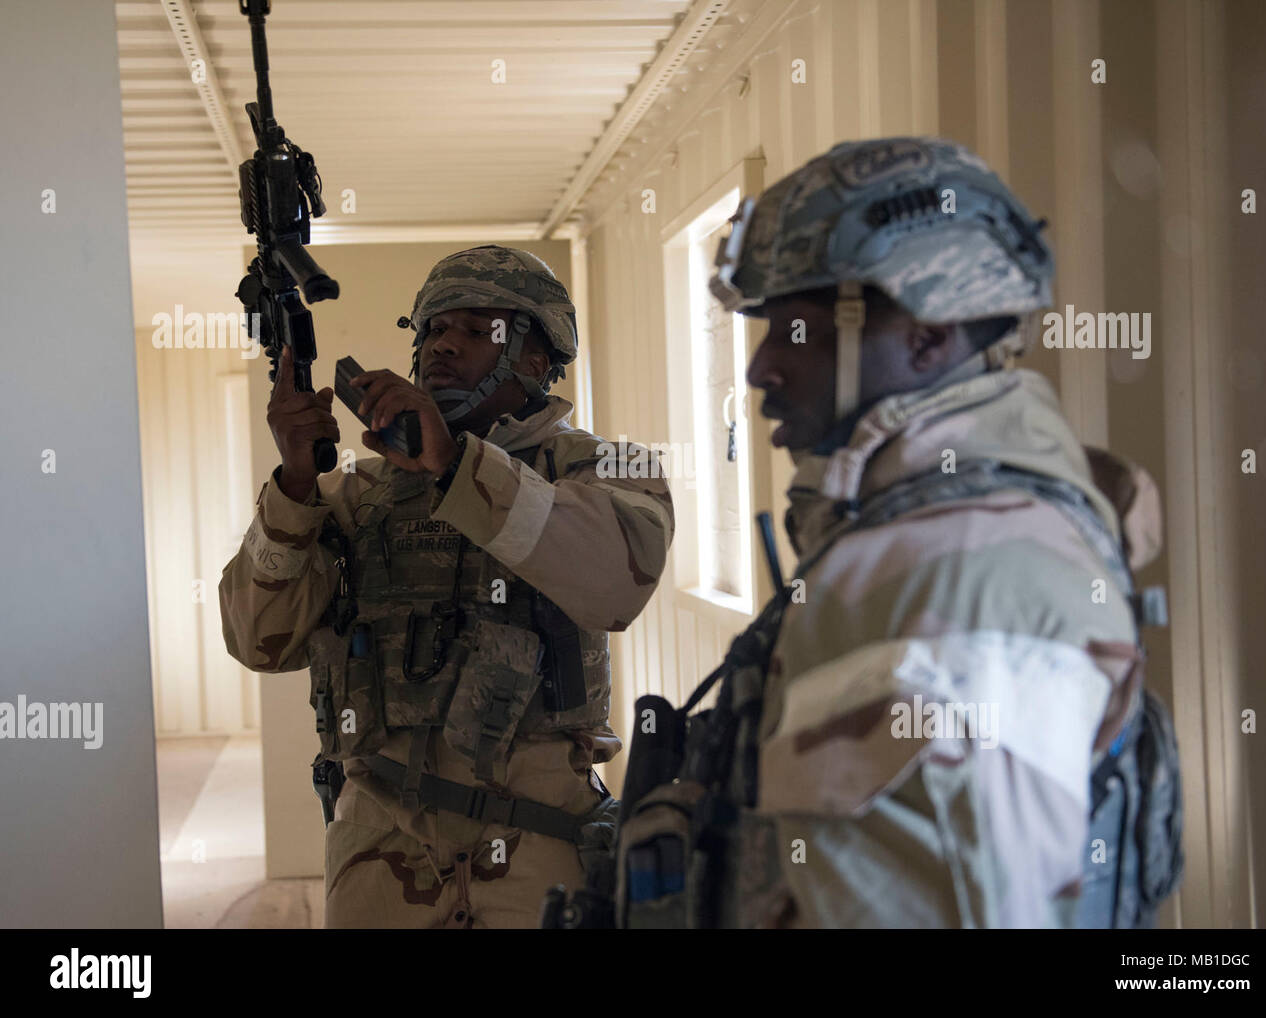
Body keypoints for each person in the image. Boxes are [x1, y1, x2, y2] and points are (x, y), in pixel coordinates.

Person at [624, 136, 1172, 927]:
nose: (761, 368)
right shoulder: (906, 527)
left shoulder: (966, 573)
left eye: (797, 330)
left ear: (927, 337)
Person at [218, 245, 674, 928]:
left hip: (539, 854)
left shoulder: (605, 468)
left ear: (536, 356)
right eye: (431, 329)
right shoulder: (358, 494)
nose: (442, 346)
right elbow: (256, 640)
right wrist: (293, 485)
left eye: (475, 329)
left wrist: (455, 466)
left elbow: (615, 584)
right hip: (379, 858)